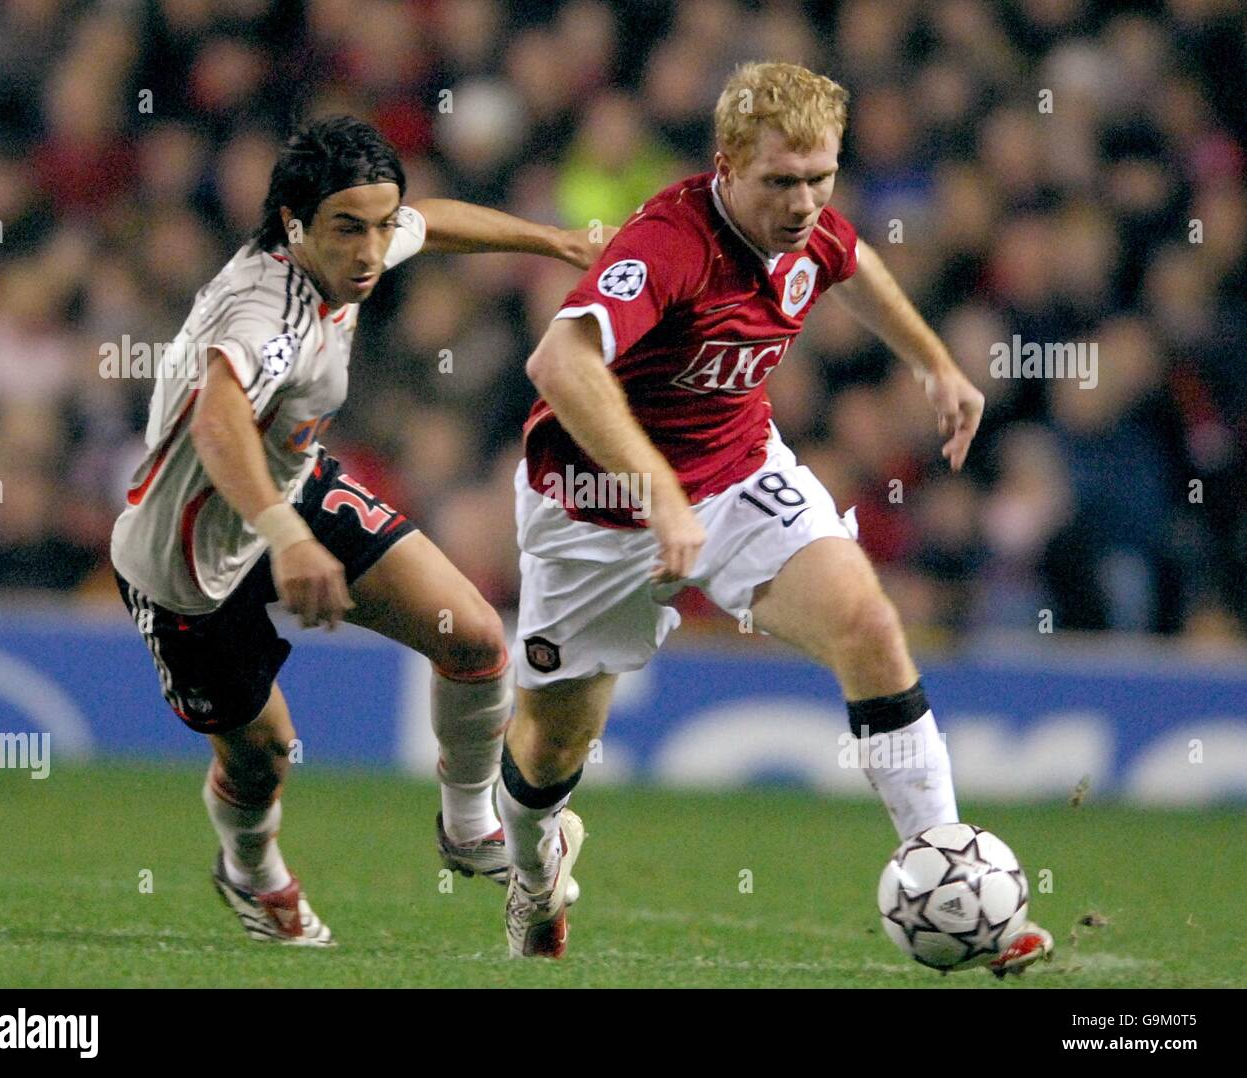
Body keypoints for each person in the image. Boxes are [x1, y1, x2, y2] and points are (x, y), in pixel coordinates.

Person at [497, 62, 1053, 975]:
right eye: (781, 182)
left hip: (740, 476)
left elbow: (852, 260)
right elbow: (558, 365)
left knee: (869, 624)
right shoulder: (670, 243)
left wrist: (933, 364)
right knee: (552, 747)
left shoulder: (807, 227)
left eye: (820, 178)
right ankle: (535, 868)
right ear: (725, 165)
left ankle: (952, 875)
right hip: (594, 510)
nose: (803, 202)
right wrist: (656, 492)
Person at [111, 115, 595, 945]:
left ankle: (468, 825)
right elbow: (218, 423)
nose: (373, 249)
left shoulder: (355, 245)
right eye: (349, 229)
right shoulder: (268, 315)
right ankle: (254, 872)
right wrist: (287, 539)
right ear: (295, 226)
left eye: (379, 225)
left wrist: (554, 242)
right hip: (186, 559)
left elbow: (431, 220)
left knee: (475, 640)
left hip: (290, 489)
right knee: (264, 755)